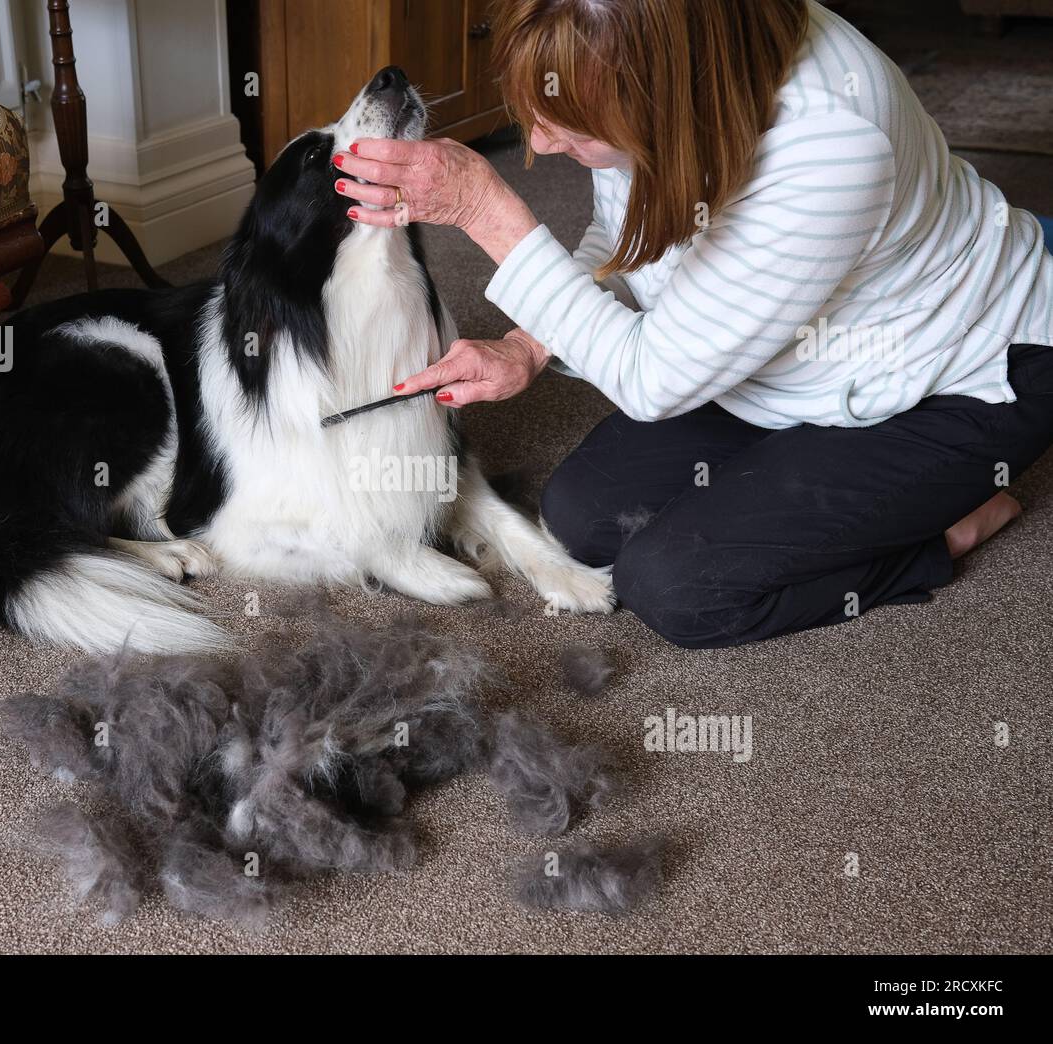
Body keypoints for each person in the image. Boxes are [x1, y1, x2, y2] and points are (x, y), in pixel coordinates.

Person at [331, 0, 1053, 648]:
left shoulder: (833, 145)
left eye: (565, 126)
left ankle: (952, 526)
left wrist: (486, 212)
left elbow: (652, 382)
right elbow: (625, 241)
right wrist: (527, 345)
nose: (544, 146)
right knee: (583, 517)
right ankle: (819, 477)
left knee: (681, 586)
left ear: (663, 96)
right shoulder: (655, 61)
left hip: (953, 375)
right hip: (781, 354)